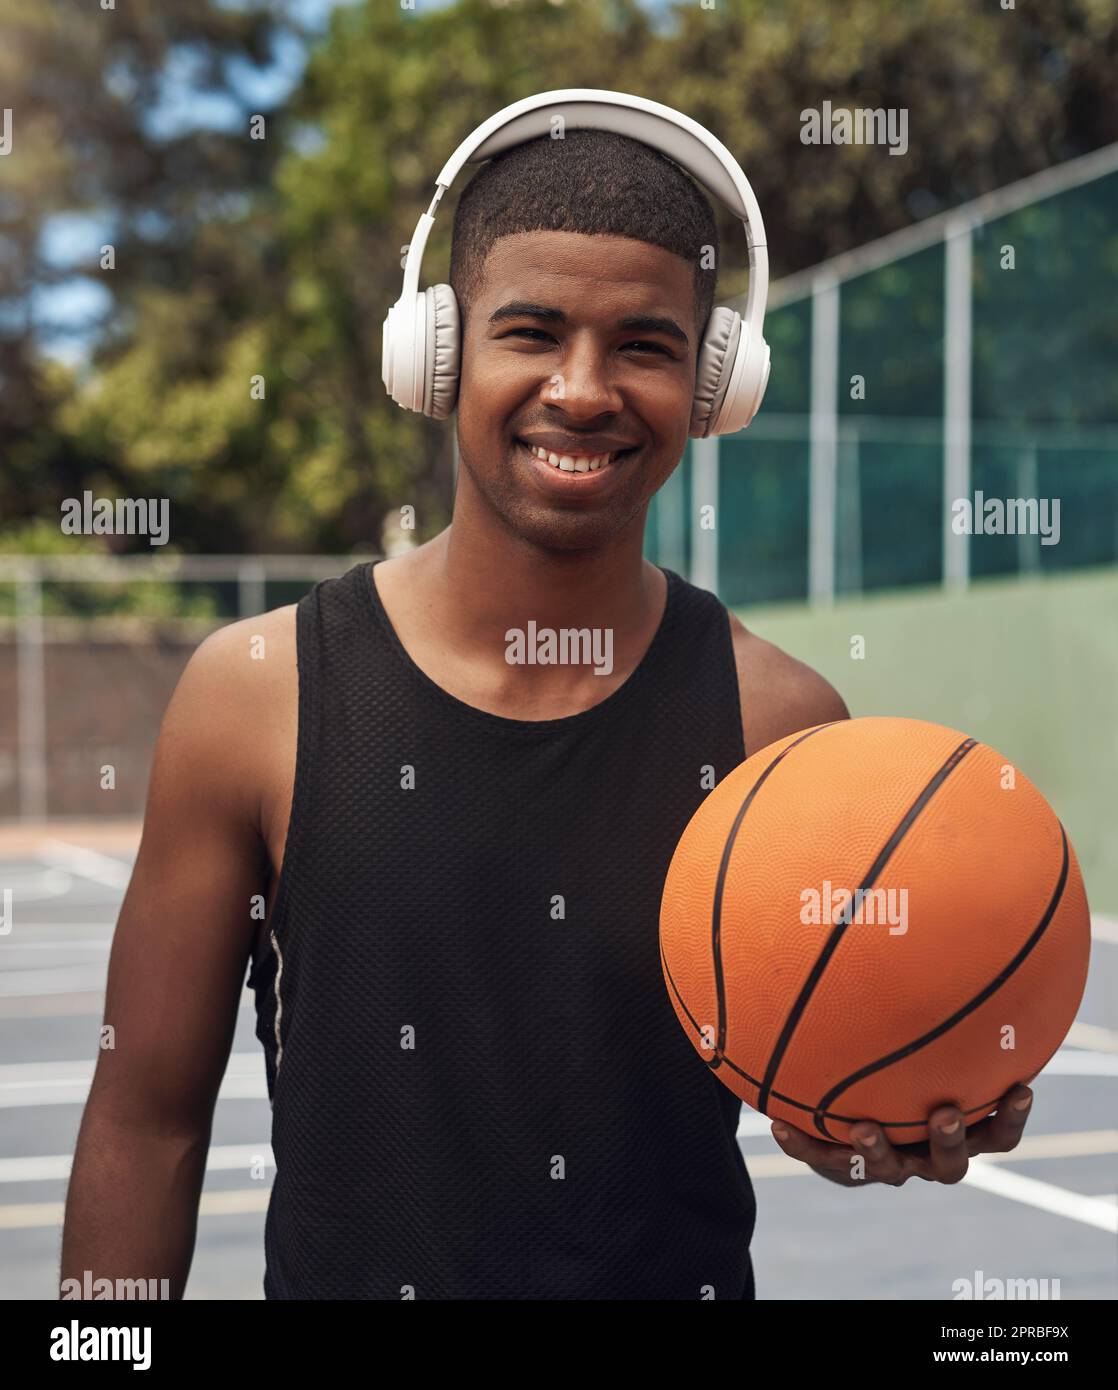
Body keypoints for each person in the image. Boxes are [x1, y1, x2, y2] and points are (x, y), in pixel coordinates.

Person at [61, 101, 1034, 1301]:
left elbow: (806, 1092)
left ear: (712, 382)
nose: (582, 391)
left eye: (645, 344)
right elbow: (145, 1120)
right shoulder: (254, 697)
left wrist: (880, 1110)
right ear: (437, 351)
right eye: (530, 331)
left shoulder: (780, 722)